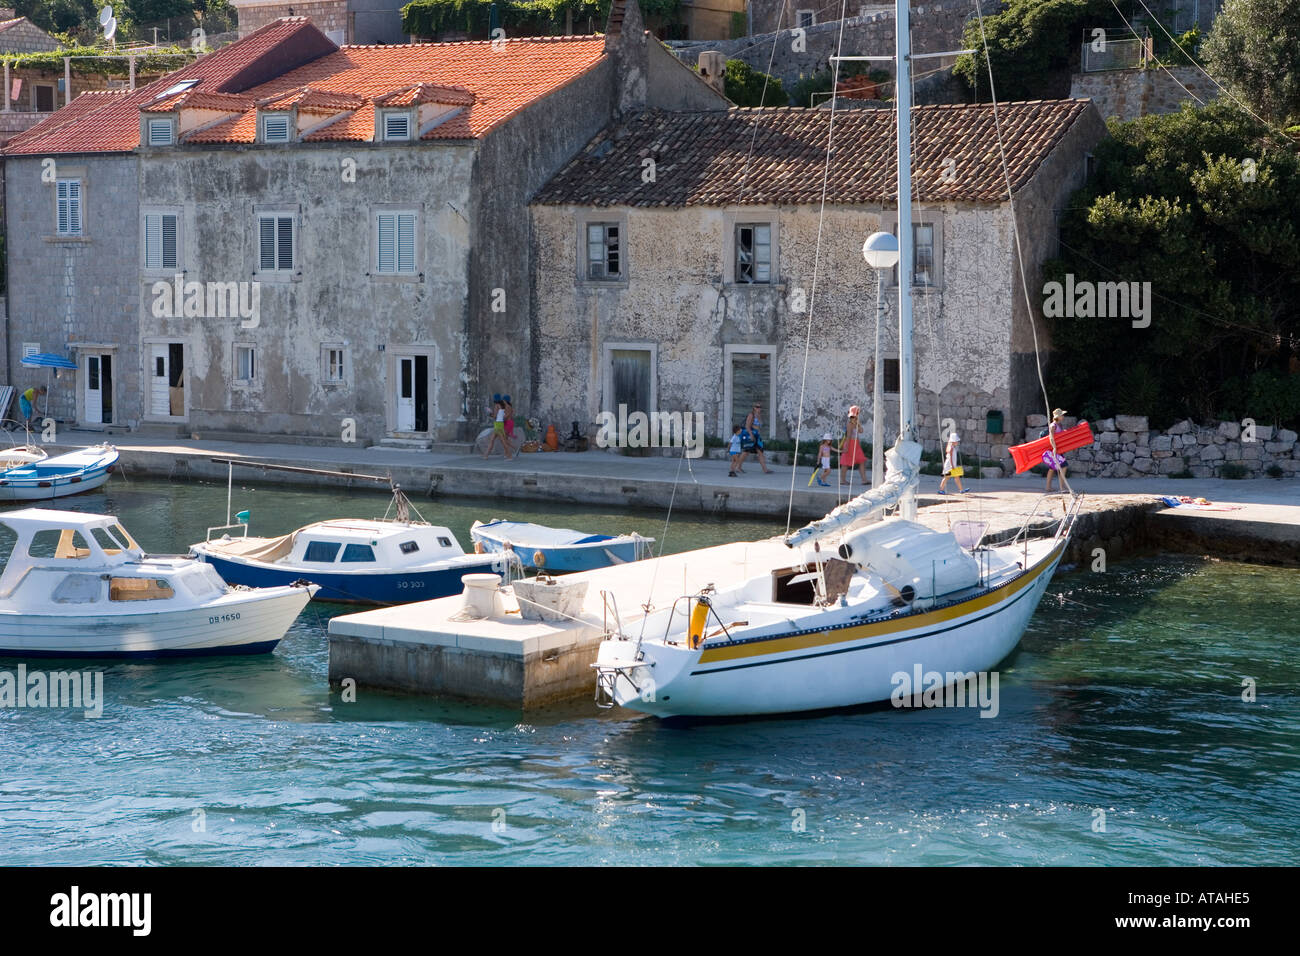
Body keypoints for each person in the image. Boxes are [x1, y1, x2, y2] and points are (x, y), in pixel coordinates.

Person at [839, 405, 868, 486]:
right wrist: (846, 447)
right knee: (845, 462)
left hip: (856, 444)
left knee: (861, 460)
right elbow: (848, 436)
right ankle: (842, 480)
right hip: (850, 443)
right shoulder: (849, 424)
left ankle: (864, 480)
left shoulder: (856, 423)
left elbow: (861, 431)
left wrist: (858, 424)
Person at [1044, 408, 1069, 492]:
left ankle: (1048, 487)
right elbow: (1051, 437)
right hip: (1054, 450)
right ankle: (1062, 487)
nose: (1063, 416)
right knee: (1064, 466)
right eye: (1062, 415)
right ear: (1058, 416)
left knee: (1052, 468)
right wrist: (1054, 448)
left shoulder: (1059, 425)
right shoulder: (1053, 425)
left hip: (1058, 450)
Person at [743, 403, 773, 474]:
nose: (759, 408)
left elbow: (760, 425)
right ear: (754, 407)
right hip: (752, 436)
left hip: (757, 436)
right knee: (745, 452)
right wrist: (751, 435)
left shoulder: (759, 416)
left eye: (760, 407)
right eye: (757, 407)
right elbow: (747, 426)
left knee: (760, 452)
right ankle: (737, 466)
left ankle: (765, 469)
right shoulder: (751, 415)